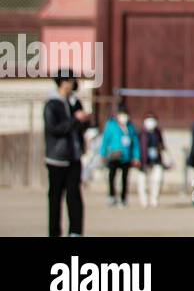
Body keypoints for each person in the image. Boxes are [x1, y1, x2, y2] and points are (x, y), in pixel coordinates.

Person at [45, 72, 90, 236]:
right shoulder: (52, 104)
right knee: (55, 198)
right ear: (62, 82)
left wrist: (85, 121)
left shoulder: (75, 102)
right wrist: (75, 120)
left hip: (74, 156)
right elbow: (54, 129)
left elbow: (81, 127)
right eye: (69, 81)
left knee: (75, 196)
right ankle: (54, 232)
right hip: (56, 158)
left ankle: (76, 232)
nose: (71, 84)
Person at [99, 105, 140, 207]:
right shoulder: (111, 125)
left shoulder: (130, 127)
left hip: (126, 156)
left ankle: (123, 198)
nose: (124, 117)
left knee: (125, 178)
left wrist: (136, 156)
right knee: (112, 176)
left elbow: (135, 143)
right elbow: (105, 140)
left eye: (125, 115)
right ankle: (112, 196)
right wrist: (103, 154)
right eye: (122, 115)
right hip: (114, 156)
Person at [135, 113, 168, 207]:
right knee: (143, 182)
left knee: (158, 179)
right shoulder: (141, 133)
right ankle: (143, 200)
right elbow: (137, 147)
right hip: (144, 160)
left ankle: (154, 199)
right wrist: (137, 158)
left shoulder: (158, 132)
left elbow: (162, 145)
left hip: (156, 160)